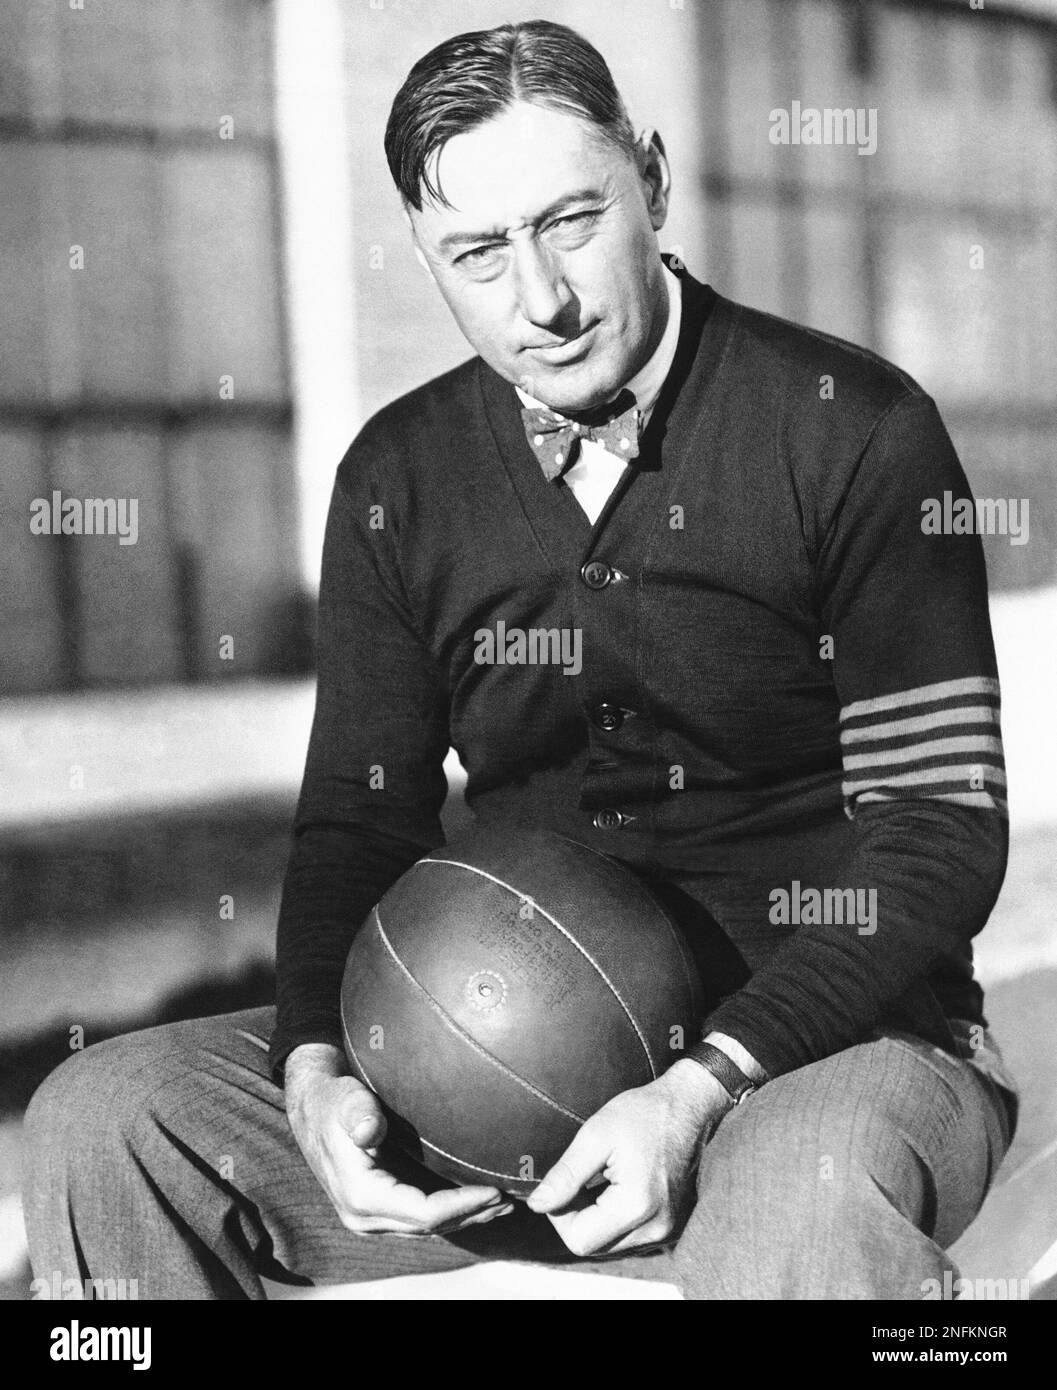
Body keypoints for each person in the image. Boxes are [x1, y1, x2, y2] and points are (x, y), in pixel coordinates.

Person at [24, 19, 1017, 1300]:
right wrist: (318, 1059)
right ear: (425, 256)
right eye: (477, 253)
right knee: (103, 1121)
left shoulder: (853, 435)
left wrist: (701, 1086)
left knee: (804, 1213)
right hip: (494, 1076)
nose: (539, 300)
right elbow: (354, 824)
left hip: (827, 1049)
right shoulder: (399, 475)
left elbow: (939, 831)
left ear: (651, 180)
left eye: (571, 220)